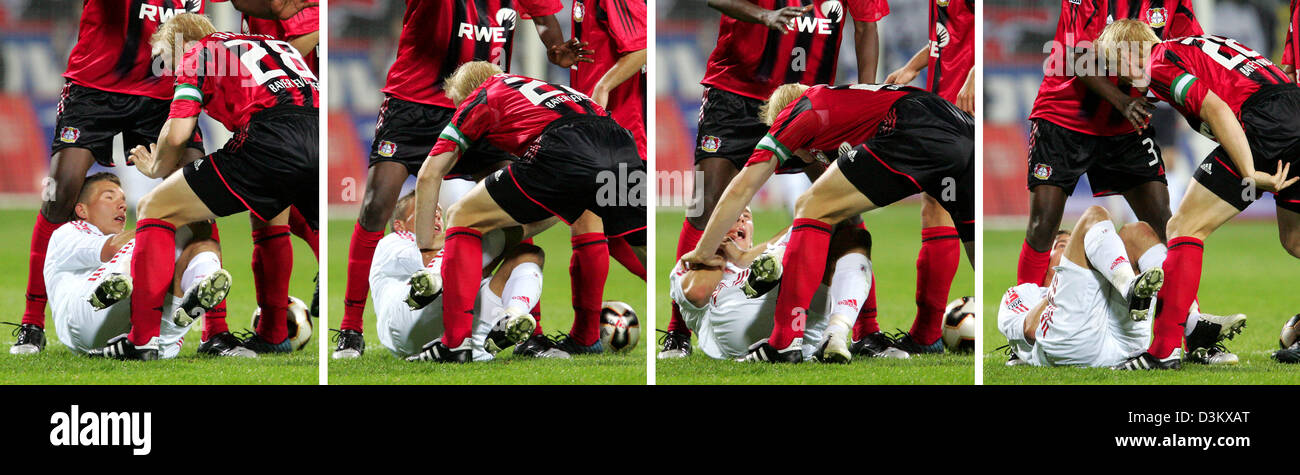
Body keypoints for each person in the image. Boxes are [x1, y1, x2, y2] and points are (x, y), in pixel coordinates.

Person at [334, 0, 592, 359]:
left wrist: (555, 46)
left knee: (515, 202)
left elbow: (545, 16)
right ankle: (350, 329)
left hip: (481, 103)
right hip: (414, 104)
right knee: (377, 204)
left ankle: (527, 331)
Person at [661, 0, 890, 360]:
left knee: (846, 212)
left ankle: (867, 332)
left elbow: (866, 26)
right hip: (736, 92)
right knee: (704, 203)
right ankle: (677, 333)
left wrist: (864, 96)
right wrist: (765, 16)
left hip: (806, 100)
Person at [682, 82, 973, 362]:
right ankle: (1006, 345)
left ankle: (784, 342)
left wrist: (703, 251)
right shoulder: (844, 110)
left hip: (911, 124)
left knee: (810, 206)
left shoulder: (800, 110)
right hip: (960, 126)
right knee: (971, 235)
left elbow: (742, 187)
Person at [95, 13, 318, 360]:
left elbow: (180, 131)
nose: (164, 70)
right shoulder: (271, 43)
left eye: (162, 59)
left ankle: (142, 341)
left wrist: (157, 166)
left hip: (270, 138)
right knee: (270, 212)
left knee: (155, 207)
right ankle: (274, 334)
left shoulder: (196, 52)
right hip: (318, 135)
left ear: (176, 45)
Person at [9, 0, 211, 355]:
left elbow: (188, 34)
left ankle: (216, 330)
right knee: (61, 194)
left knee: (198, 193)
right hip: (95, 88)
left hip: (160, 96)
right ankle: (31, 322)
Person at [1094, 20, 1300, 368]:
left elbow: (1216, 108)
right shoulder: (1196, 43)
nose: (1122, 81)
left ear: (1128, 51)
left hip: (1265, 125)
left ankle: (1163, 351)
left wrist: (1249, 173)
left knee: (1183, 228)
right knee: (1295, 239)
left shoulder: (1158, 61)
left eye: (1115, 66)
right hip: (1291, 108)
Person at [412, 62, 646, 362]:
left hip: (561, 148)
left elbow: (428, 175)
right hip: (621, 144)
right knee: (618, 234)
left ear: (468, 93)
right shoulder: (555, 89)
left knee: (462, 216)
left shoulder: (481, 95)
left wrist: (427, 249)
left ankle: (455, 344)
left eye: (458, 105)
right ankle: (594, 337)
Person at [1014, 0, 1203, 288]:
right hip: (1065, 118)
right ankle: (1024, 313)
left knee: (1164, 222)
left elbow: (1188, 48)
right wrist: (1123, 100)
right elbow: (1077, 55)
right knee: (1043, 223)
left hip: (1126, 123)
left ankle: (1184, 322)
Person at [997, 206, 1244, 368]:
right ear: (1048, 260)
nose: (1071, 247)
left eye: (1073, 244)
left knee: (1137, 231)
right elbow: (1029, 329)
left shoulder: (1104, 270)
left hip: (1126, 348)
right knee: (1095, 214)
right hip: (1070, 342)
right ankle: (1132, 288)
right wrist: (1058, 288)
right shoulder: (1022, 293)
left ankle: (1191, 322)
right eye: (1063, 245)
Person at [46, 173, 247, 360]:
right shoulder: (69, 232)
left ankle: (195, 294)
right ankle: (119, 279)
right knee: (147, 242)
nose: (122, 206)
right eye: (110, 197)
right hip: (87, 316)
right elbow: (112, 247)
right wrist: (164, 220)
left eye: (123, 200)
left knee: (203, 239)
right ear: (82, 210)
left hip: (158, 339)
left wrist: (183, 217)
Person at [670, 208, 903, 362]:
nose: (741, 219)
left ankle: (836, 333)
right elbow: (697, 294)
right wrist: (717, 252)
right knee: (803, 235)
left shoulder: (765, 254)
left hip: (803, 327)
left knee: (850, 230)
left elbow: (803, 225)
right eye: (733, 216)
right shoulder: (693, 264)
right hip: (736, 340)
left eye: (747, 216)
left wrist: (746, 256)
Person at [371, 192, 568, 361]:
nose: (437, 217)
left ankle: (510, 318)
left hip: (451, 324)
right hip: (407, 315)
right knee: (474, 238)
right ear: (399, 224)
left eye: (439, 213)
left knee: (530, 254)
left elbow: (468, 263)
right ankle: (435, 278)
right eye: (428, 212)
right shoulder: (393, 241)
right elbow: (425, 256)